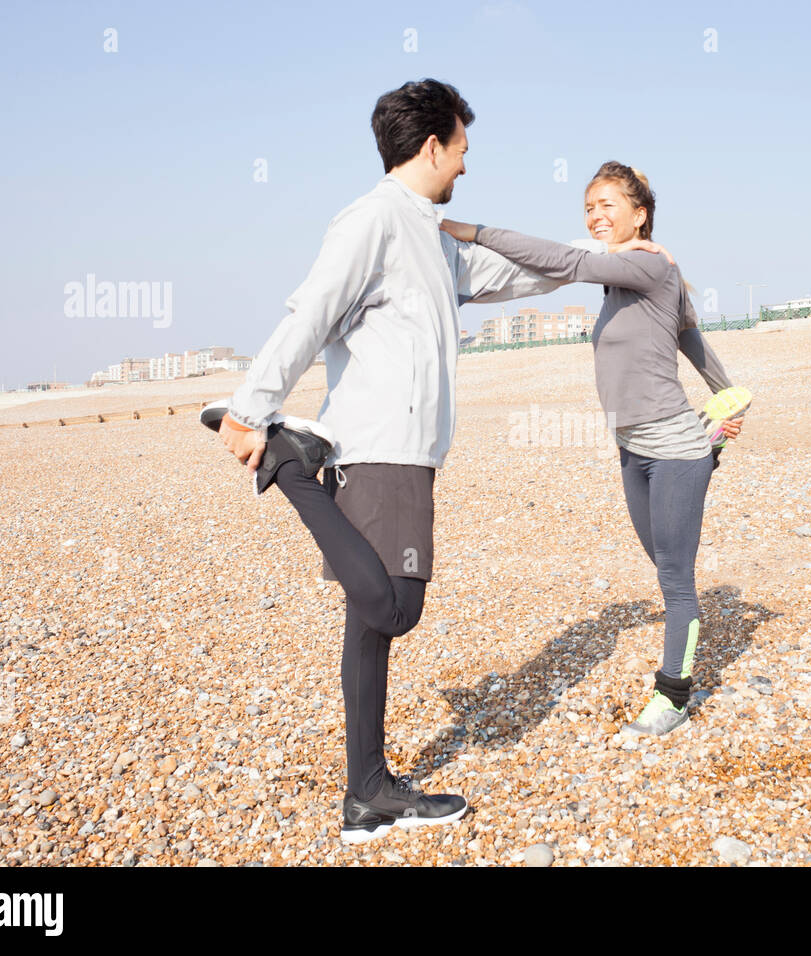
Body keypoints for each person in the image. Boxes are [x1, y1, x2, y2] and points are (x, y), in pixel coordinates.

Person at [213, 82, 659, 842]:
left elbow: (513, 273)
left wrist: (602, 256)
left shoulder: (432, 236)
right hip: (381, 445)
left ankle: (366, 796)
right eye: (461, 149)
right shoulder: (375, 221)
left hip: (401, 447)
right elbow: (312, 309)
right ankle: (290, 467)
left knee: (368, 623)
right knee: (395, 607)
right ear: (431, 148)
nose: (464, 164)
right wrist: (253, 408)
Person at [440, 161, 746, 739]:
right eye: (588, 207)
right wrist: (728, 394)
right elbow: (685, 332)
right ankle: (706, 450)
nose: (596, 215)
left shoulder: (646, 267)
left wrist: (472, 232)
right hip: (631, 445)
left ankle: (673, 696)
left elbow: (568, 260)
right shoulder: (634, 273)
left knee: (677, 579)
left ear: (640, 214)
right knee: (661, 563)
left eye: (608, 205)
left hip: (672, 444)